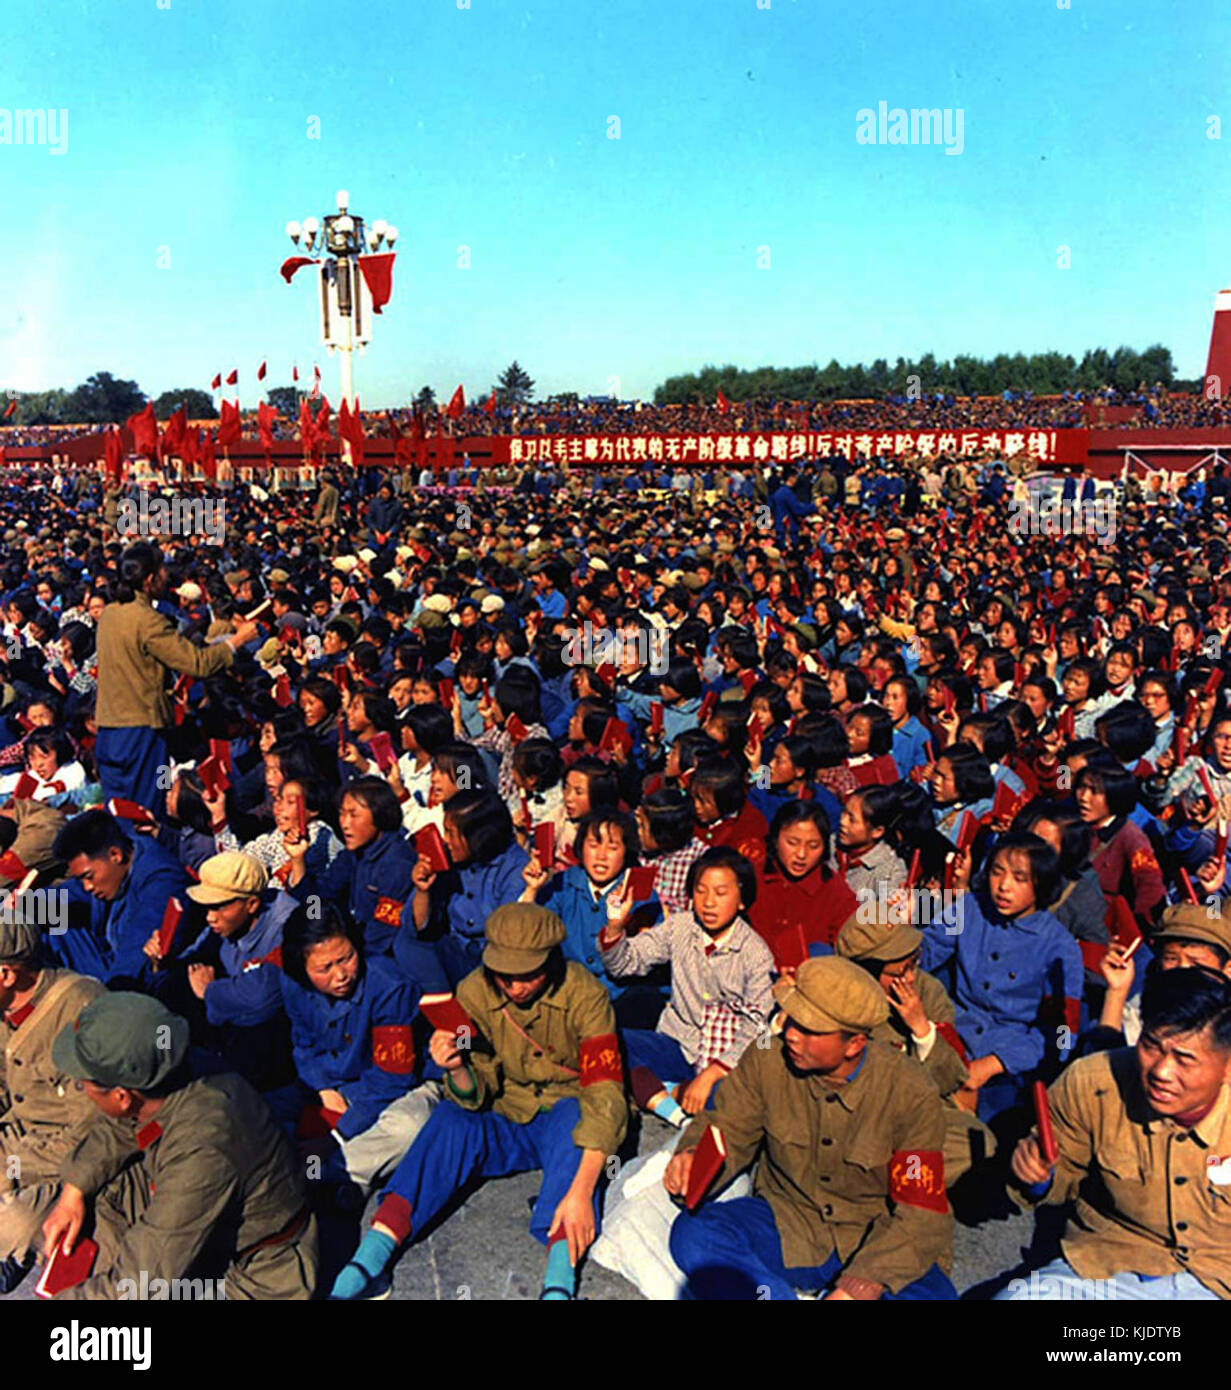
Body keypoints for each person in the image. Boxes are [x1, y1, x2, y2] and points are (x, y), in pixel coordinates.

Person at [331, 904, 628, 1302]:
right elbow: (477, 1086)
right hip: (504, 1115)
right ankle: (375, 1249)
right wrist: (456, 1068)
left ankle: (560, 1276)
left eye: (528, 974)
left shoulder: (586, 995)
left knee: (579, 1122)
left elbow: (604, 1090)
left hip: (564, 1113)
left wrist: (580, 1194)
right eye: (505, 974)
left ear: (551, 960)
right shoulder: (473, 992)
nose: (516, 987)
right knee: (450, 1119)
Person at [665, 955, 956, 1300]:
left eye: (809, 1029)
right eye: (792, 1021)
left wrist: (858, 1286)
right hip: (789, 1223)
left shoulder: (911, 1091)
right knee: (694, 1234)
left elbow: (920, 1212)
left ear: (854, 1044)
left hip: (877, 1235)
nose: (791, 1035)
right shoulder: (766, 1059)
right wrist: (692, 1156)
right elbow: (727, 1125)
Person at [41, 992, 319, 1300]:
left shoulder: (203, 1148)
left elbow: (142, 1281)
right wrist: (73, 1191)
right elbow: (120, 1126)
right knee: (105, 1187)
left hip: (258, 1275)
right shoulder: (170, 1066)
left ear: (122, 1095)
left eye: (83, 1085)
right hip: (210, 1225)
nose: (81, 1090)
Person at [1000, 968, 1231, 1301]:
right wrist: (1038, 1175)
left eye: (1184, 1059)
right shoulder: (1092, 1082)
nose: (1161, 1071)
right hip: (1105, 1267)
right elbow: (1061, 1179)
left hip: (1216, 1281)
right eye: (1151, 1045)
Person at [93, 541, 257, 813]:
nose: (167, 576)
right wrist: (236, 642)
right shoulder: (149, 621)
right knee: (150, 804)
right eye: (161, 571)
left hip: (108, 730)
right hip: (143, 732)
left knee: (118, 807)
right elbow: (198, 663)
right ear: (149, 580)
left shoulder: (109, 614)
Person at [0, 919, 105, 1294]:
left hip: (65, 1160)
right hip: (18, 1140)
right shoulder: (6, 1011)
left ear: (6, 975)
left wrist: (11, 1170)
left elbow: (93, 1131)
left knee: (15, 1223)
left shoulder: (79, 1005)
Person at [53, 808, 190, 986]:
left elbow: (135, 953)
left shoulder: (162, 882)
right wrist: (22, 905)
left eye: (89, 877)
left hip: (132, 974)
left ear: (115, 855)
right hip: (106, 953)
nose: (87, 887)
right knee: (49, 924)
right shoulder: (117, 859)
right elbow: (72, 891)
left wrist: (109, 1004)